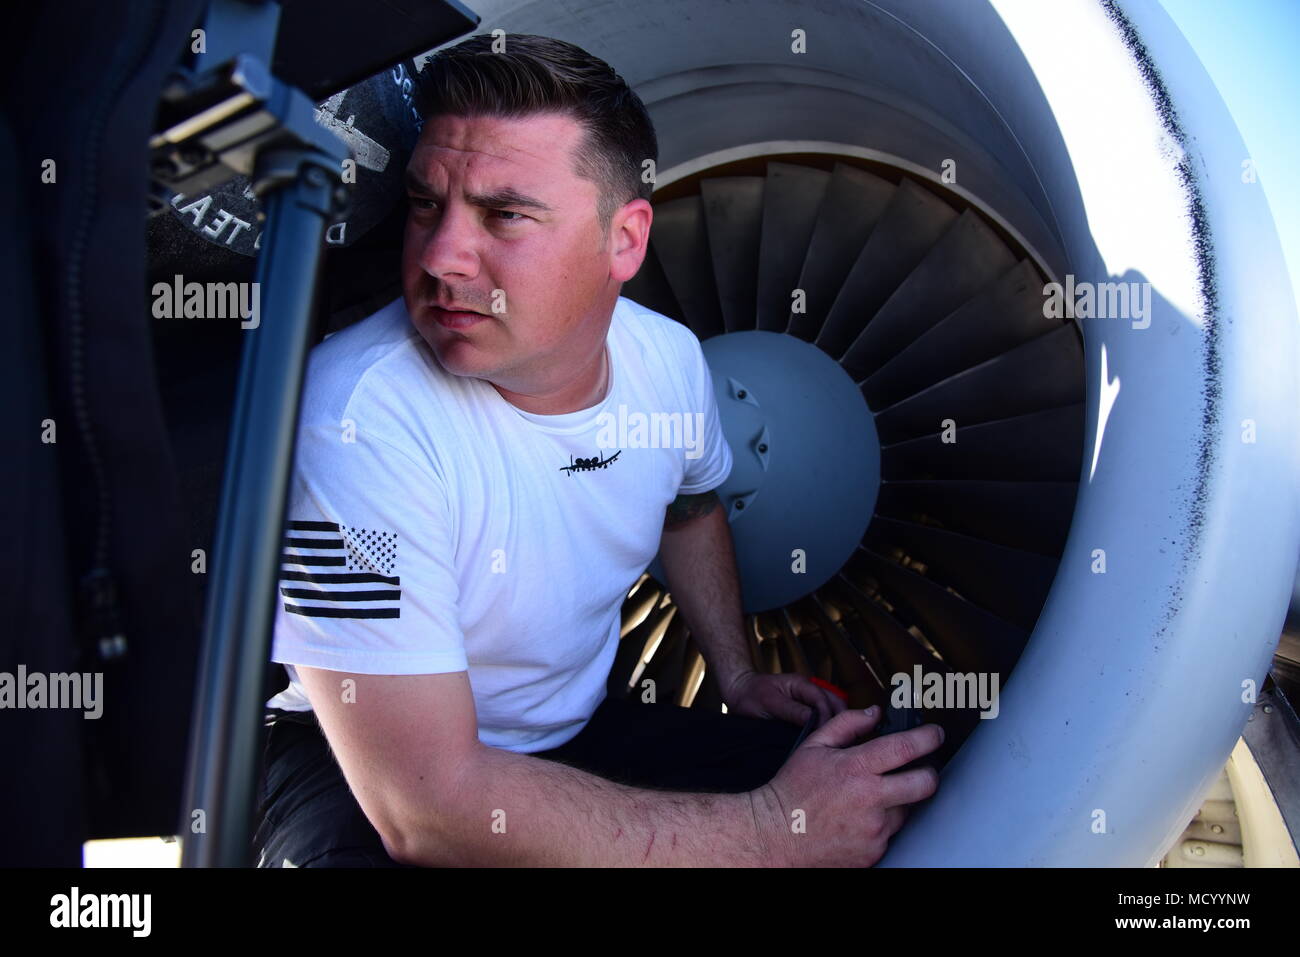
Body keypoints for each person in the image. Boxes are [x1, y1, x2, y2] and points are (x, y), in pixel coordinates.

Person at [254, 32, 942, 868]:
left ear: (625, 240)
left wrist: (736, 675)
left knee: (881, 791)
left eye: (504, 213)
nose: (439, 256)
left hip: (576, 730)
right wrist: (767, 835)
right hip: (359, 760)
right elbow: (423, 807)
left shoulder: (670, 361)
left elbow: (688, 508)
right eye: (427, 204)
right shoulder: (354, 417)